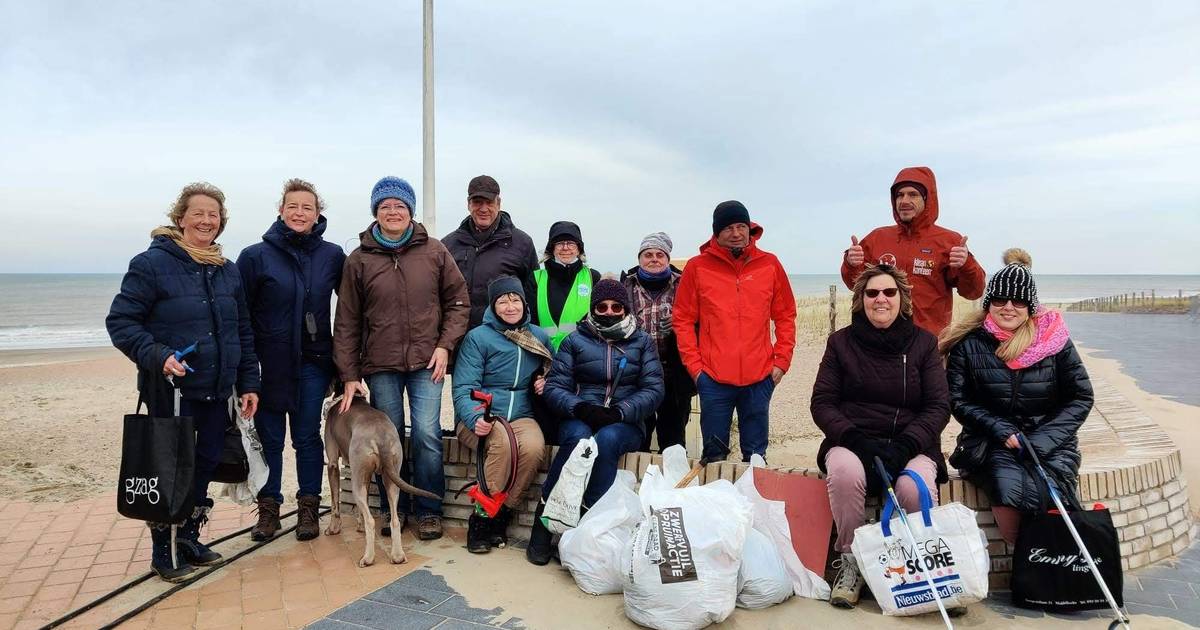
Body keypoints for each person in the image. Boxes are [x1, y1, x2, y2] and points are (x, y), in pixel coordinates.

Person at [107, 182, 260, 582]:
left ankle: (188, 537)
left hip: (218, 388)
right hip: (171, 390)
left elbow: (242, 330)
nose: (207, 221)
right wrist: (159, 356)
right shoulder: (151, 264)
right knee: (170, 468)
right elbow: (121, 322)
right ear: (180, 218)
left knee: (206, 462)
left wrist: (249, 382)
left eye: (214, 215)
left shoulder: (227, 270)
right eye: (198, 213)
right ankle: (164, 548)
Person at [333, 176, 470, 541]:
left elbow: (459, 303)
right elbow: (346, 320)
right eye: (385, 206)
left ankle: (428, 511)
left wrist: (444, 345)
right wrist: (349, 374)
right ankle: (391, 507)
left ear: (410, 211)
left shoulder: (435, 251)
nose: (392, 212)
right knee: (385, 438)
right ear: (375, 212)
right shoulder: (359, 260)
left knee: (426, 434)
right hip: (380, 366)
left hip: (428, 362)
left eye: (399, 206)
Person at [810, 265, 950, 609]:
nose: (881, 299)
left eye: (889, 292)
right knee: (845, 474)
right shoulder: (840, 343)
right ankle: (851, 561)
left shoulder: (924, 343)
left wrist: (906, 445)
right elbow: (822, 402)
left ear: (902, 298)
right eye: (872, 293)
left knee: (913, 488)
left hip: (910, 443)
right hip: (853, 441)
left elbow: (938, 406)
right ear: (861, 300)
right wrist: (855, 440)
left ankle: (919, 563)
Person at [941, 249, 1092, 546]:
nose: (1008, 307)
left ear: (1030, 306)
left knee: (1053, 489)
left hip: (1049, 441)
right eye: (1000, 299)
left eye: (1018, 301)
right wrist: (1000, 429)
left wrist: (1039, 441)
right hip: (990, 441)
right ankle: (1029, 559)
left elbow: (1081, 397)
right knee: (1007, 488)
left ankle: (1052, 563)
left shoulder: (1056, 342)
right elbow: (957, 400)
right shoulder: (968, 345)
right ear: (988, 303)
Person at [526, 279, 665, 565]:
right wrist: (580, 408)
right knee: (577, 440)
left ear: (625, 309)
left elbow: (653, 390)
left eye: (616, 307)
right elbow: (555, 387)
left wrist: (620, 411)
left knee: (607, 440)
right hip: (580, 415)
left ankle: (588, 523)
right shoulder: (574, 341)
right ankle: (544, 523)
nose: (609, 311)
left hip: (624, 421)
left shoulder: (642, 342)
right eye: (602, 307)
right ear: (593, 309)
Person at [237, 178, 346, 542]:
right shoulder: (254, 257)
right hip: (268, 365)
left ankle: (309, 509)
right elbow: (240, 317)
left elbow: (353, 308)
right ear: (281, 210)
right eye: (293, 206)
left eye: (307, 207)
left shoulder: (332, 255)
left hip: (314, 363)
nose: (300, 213)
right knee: (269, 439)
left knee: (307, 438)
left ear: (318, 214)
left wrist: (347, 365)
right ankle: (269, 510)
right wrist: (245, 371)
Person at [673, 200, 796, 463]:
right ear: (716, 232)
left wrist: (781, 361)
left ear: (750, 228)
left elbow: (786, 315)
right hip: (713, 379)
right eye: (728, 228)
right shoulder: (697, 267)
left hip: (759, 377)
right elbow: (682, 320)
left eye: (741, 226)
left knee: (756, 457)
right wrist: (696, 369)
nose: (736, 233)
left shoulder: (770, 264)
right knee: (714, 456)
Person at [451, 275, 552, 553]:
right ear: (493, 307)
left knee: (533, 447)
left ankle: (502, 513)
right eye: (503, 302)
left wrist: (547, 382)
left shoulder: (538, 337)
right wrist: (474, 418)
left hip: (522, 414)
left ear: (524, 303)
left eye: (515, 300)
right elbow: (463, 387)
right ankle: (481, 520)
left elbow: (554, 370)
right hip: (483, 415)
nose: (510, 307)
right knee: (503, 444)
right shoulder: (477, 338)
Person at [841, 166, 986, 336]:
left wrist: (966, 264)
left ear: (927, 199)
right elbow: (854, 284)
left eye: (913, 194)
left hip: (928, 341)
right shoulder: (877, 238)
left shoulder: (949, 241)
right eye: (899, 195)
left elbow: (973, 292)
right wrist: (851, 264)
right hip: (880, 339)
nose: (904, 201)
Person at [620, 231, 694, 452]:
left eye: (660, 255)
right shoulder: (625, 286)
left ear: (667, 259)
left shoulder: (685, 285)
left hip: (675, 375)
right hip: (635, 375)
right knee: (637, 439)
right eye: (648, 254)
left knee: (673, 441)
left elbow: (704, 320)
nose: (654, 259)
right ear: (639, 258)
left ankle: (672, 474)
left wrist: (682, 323)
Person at [443, 175, 539, 329]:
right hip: (459, 336)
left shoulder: (522, 243)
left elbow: (532, 296)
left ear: (498, 203)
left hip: (504, 337)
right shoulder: (448, 245)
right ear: (468, 204)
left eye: (489, 202)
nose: (483, 209)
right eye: (477, 202)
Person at [529, 221, 601, 352]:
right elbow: (530, 323)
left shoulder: (593, 277)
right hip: (544, 354)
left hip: (582, 355)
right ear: (552, 248)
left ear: (579, 249)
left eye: (571, 243)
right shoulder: (535, 279)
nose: (565, 248)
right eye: (560, 243)